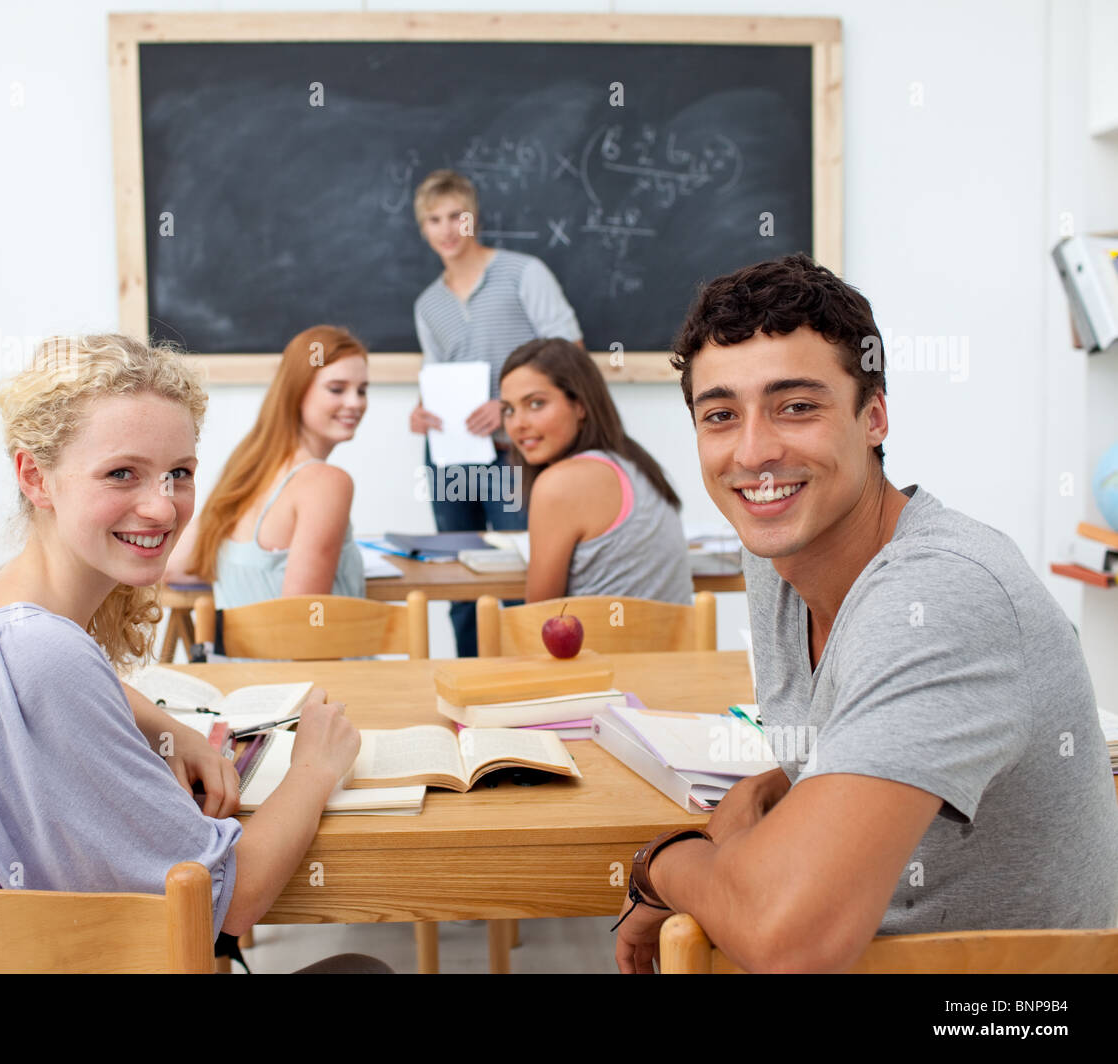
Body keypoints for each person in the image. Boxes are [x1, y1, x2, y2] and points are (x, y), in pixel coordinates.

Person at [613, 254, 1118, 974]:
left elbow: (793, 941)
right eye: (721, 415)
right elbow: (873, 725)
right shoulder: (781, 551)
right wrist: (777, 784)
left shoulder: (940, 595)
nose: (755, 452)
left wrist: (663, 864)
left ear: (873, 416)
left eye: (797, 406)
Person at [0, 334, 388, 972]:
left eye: (180, 472)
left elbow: (51, 680)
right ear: (36, 477)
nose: (163, 504)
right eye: (123, 473)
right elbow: (227, 905)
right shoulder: (40, 654)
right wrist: (316, 766)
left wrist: (171, 728)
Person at [408, 169, 583, 654]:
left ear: (473, 220)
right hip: (452, 455)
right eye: (433, 220)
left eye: (454, 217)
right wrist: (422, 411)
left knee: (518, 570)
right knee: (460, 574)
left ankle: (526, 674)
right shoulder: (428, 304)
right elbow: (436, 374)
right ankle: (470, 676)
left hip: (513, 451)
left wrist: (506, 408)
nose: (445, 229)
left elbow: (569, 350)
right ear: (423, 228)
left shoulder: (524, 273)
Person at [167, 326, 367, 616]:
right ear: (297, 390)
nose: (355, 403)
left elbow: (173, 567)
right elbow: (303, 627)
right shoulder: (327, 483)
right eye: (337, 389)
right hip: (306, 660)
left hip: (232, 659)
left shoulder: (249, 465)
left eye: (362, 390)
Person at [498, 337, 692, 603]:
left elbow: (539, 617)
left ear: (580, 405)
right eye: (508, 410)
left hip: (599, 644)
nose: (518, 424)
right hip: (676, 644)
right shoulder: (634, 463)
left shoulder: (560, 484)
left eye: (536, 404)